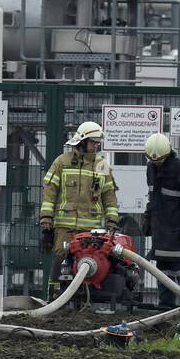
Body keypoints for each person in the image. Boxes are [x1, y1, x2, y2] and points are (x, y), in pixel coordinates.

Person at [39, 120, 120, 296]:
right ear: (82, 141)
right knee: (60, 261)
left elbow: (109, 196)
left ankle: (83, 300)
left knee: (88, 265)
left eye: (98, 143)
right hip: (64, 227)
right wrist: (46, 219)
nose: (96, 146)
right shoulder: (62, 162)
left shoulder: (102, 166)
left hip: (90, 230)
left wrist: (112, 220)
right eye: (93, 142)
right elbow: (50, 191)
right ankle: (54, 297)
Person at [142, 132, 180, 308]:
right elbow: (153, 197)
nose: (156, 163)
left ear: (168, 153)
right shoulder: (151, 168)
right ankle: (166, 309)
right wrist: (148, 218)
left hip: (178, 232)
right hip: (161, 231)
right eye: (153, 160)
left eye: (159, 160)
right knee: (163, 274)